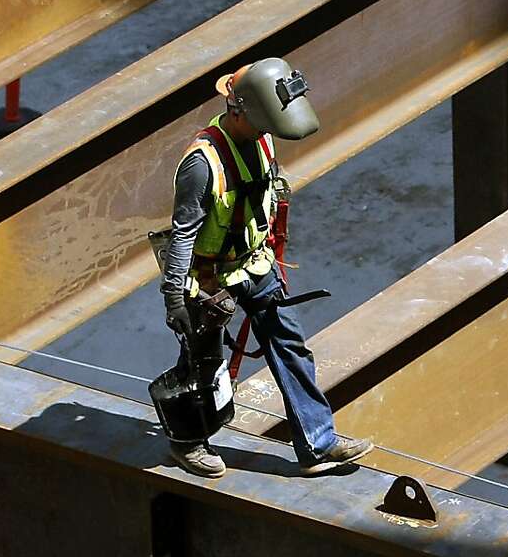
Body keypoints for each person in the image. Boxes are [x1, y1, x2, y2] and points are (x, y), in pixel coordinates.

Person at [156, 58, 371, 478]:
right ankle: (188, 442)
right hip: (208, 277)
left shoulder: (262, 137)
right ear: (240, 110)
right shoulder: (203, 163)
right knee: (203, 365)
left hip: (254, 264)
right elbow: (183, 234)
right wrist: (175, 297)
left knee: (290, 345)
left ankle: (318, 444)